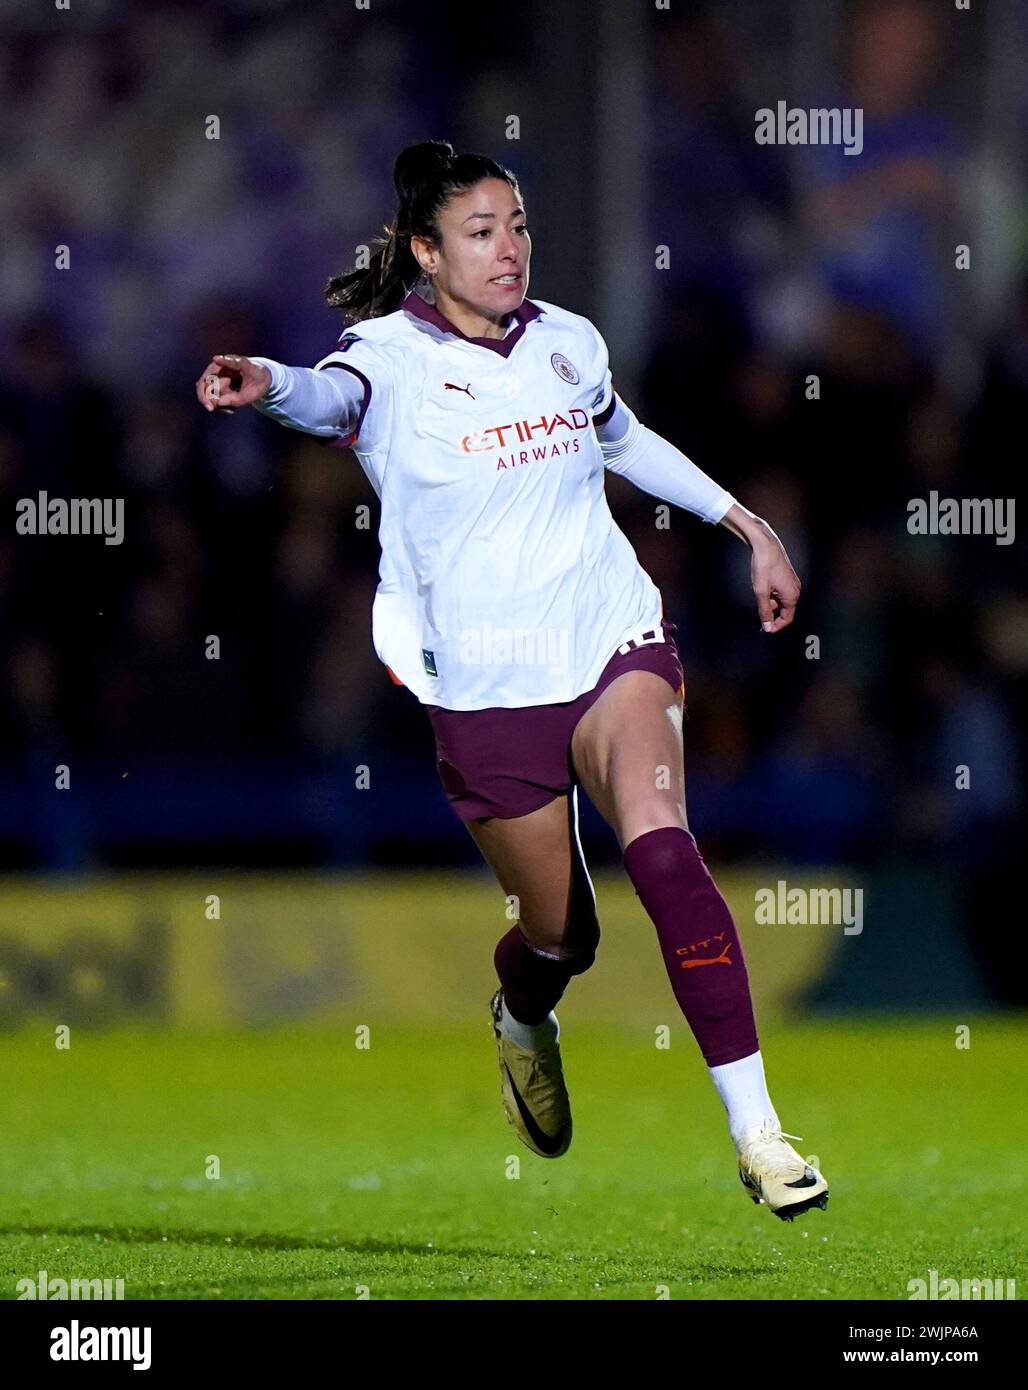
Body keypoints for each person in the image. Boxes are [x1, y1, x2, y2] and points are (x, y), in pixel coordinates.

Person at [194, 140, 828, 1221]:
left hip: (610, 639)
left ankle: (759, 1135)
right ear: (425, 252)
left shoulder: (567, 342)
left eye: (518, 225)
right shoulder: (385, 361)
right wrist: (267, 384)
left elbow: (624, 438)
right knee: (562, 938)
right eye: (480, 232)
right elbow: (327, 398)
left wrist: (746, 524)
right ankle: (524, 1016)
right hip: (487, 691)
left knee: (665, 855)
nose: (509, 249)